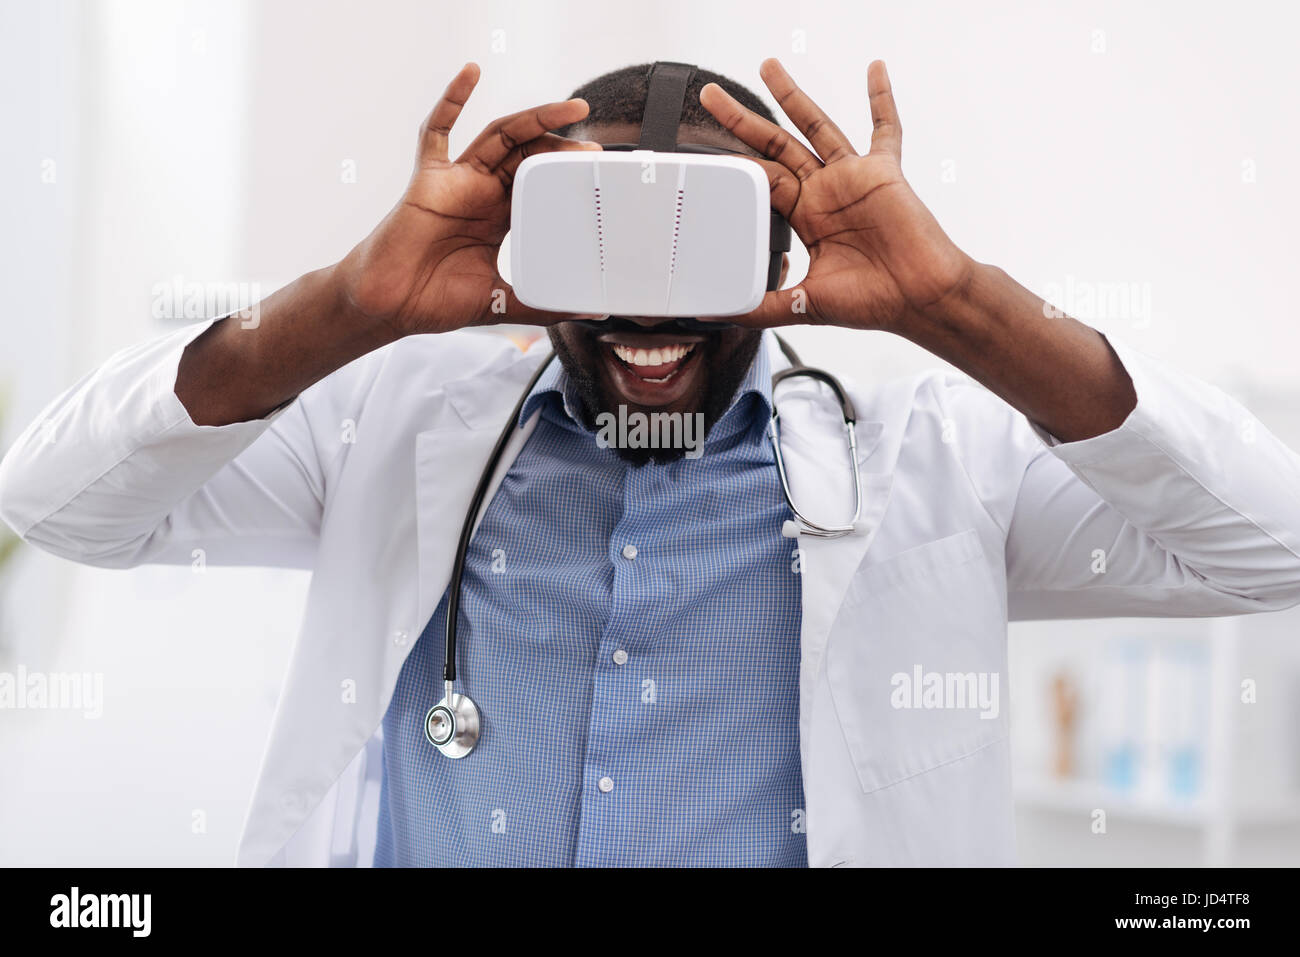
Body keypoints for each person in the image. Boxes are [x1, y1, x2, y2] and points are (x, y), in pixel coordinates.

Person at [2, 58, 1299, 867]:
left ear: (782, 263)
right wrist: (352, 302)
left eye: (701, 237)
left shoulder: (930, 467)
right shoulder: (386, 428)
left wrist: (950, 302)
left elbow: (1270, 542)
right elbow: (56, 504)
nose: (651, 294)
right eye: (605, 233)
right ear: (530, 244)